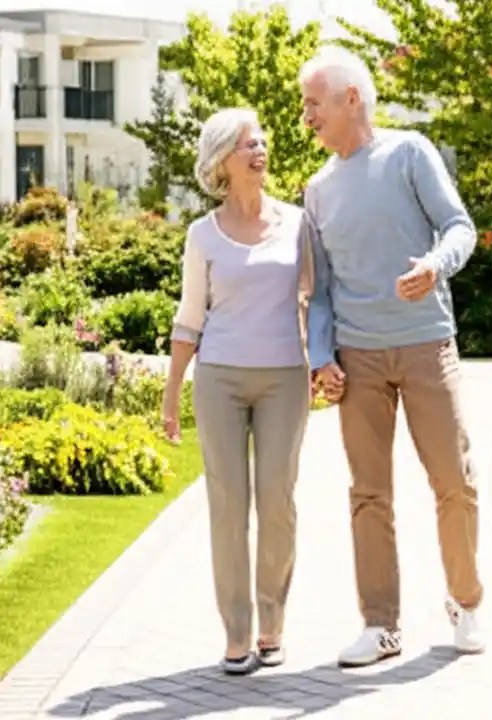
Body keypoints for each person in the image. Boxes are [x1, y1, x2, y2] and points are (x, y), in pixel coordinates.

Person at [298, 46, 485, 668]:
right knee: (368, 495)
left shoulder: (409, 153)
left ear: (352, 99)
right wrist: (321, 355)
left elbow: (460, 227)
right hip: (359, 360)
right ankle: (381, 626)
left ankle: (465, 601)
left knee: (453, 482)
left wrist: (435, 265)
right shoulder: (317, 190)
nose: (306, 117)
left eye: (314, 102)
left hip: (428, 344)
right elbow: (320, 290)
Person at [161, 107, 332, 675]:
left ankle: (272, 625)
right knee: (228, 506)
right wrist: (170, 395)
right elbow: (190, 317)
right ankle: (236, 632)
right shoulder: (202, 235)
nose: (258, 151)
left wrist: (327, 360)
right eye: (244, 146)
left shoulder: (298, 224)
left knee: (277, 503)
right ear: (221, 163)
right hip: (220, 381)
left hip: (285, 377)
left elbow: (319, 299)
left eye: (261, 141)